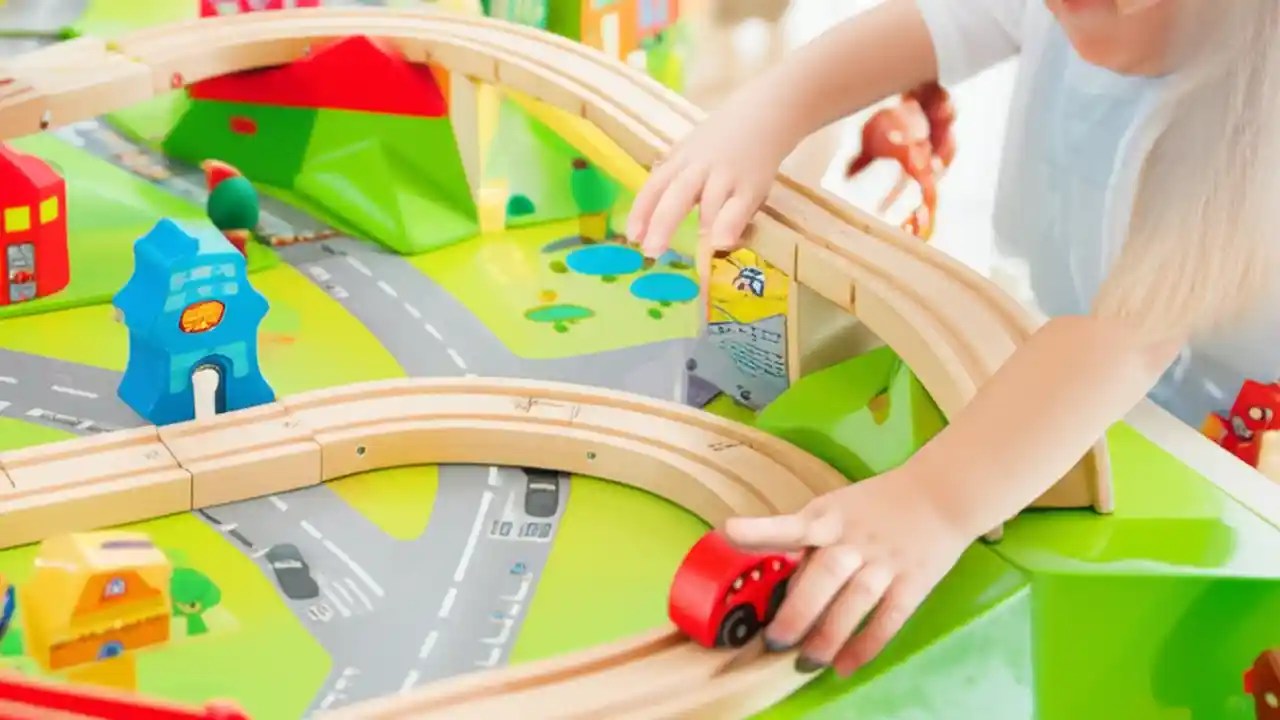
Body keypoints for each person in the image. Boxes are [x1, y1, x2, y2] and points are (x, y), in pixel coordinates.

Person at [627, 0, 1280, 677]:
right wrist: (772, 109)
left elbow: (1133, 330)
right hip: (1090, 385)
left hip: (1233, 448)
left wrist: (933, 500)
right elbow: (933, 23)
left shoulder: (1256, 93)